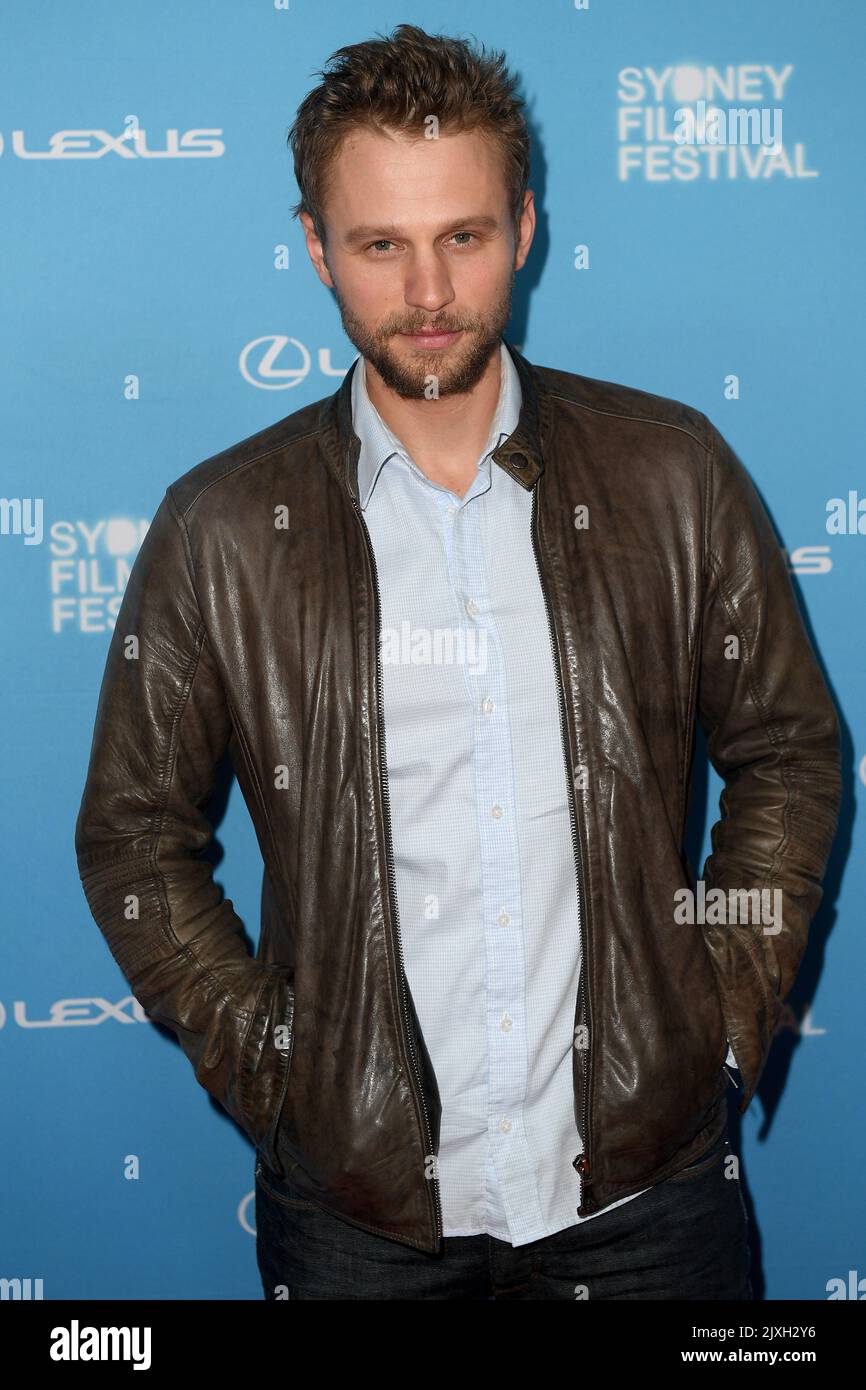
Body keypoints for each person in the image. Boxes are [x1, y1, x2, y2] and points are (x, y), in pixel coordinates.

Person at [75, 24, 842, 1300]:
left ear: (524, 229)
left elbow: (787, 754)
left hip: (650, 1197)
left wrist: (715, 1014)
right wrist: (277, 1069)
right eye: (380, 244)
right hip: (353, 1216)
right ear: (317, 247)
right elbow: (133, 834)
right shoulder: (221, 526)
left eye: (463, 237)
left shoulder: (671, 474)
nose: (426, 292)